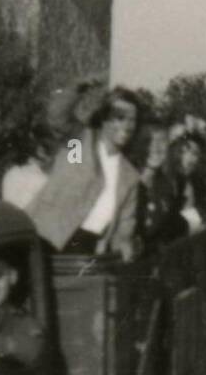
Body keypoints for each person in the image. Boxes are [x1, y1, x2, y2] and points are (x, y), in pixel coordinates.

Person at [24, 83, 142, 261]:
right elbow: (58, 117)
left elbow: (126, 222)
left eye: (132, 119)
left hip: (85, 252)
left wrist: (124, 241)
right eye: (120, 117)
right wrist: (78, 88)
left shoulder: (130, 176)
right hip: (47, 238)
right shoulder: (79, 145)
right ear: (104, 118)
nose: (127, 125)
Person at [135, 123, 188, 254]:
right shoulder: (129, 175)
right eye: (151, 141)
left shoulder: (167, 183)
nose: (157, 146)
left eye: (162, 141)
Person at [168, 116, 206, 233]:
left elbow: (193, 225)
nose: (190, 159)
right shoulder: (164, 182)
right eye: (183, 151)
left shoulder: (191, 186)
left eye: (195, 153)